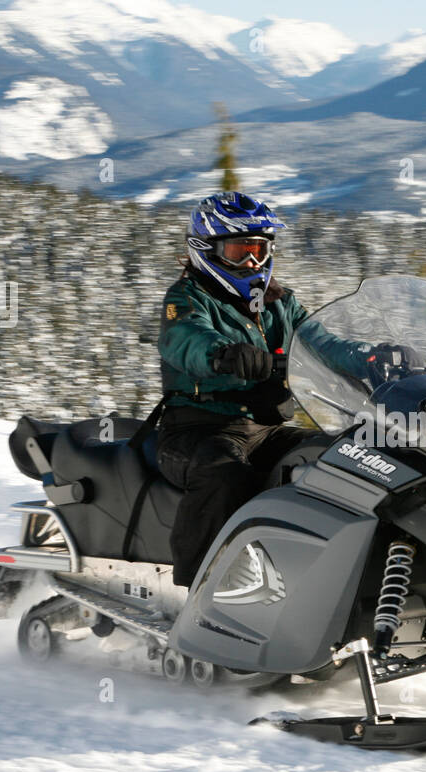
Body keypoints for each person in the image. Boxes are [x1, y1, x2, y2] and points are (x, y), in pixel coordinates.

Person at [155, 191, 319, 587]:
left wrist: (368, 355)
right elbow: (184, 339)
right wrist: (225, 354)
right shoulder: (186, 299)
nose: (251, 262)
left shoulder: (281, 303)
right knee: (224, 475)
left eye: (259, 251)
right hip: (197, 429)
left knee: (338, 459)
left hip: (269, 428)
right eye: (239, 251)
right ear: (205, 250)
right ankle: (199, 593)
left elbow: (319, 339)